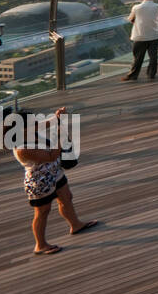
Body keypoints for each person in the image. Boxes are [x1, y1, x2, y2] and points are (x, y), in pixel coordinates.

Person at [13, 107, 97, 255]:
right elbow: (51, 155)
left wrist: (58, 117)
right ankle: (40, 244)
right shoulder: (22, 148)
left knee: (66, 197)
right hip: (39, 181)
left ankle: (75, 224)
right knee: (42, 211)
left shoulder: (31, 132)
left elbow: (48, 123)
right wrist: (59, 135)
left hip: (54, 172)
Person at [124, 0, 158, 81]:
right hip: (154, 34)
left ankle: (133, 75)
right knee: (153, 56)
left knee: (137, 57)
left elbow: (130, 19)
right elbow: (156, 18)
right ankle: (151, 74)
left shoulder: (136, 7)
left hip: (140, 35)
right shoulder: (157, 6)